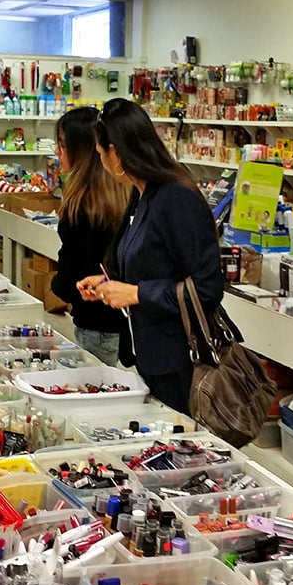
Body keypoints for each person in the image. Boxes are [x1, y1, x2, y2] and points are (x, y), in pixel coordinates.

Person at [77, 97, 224, 412]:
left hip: (182, 362)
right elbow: (152, 263)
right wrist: (108, 283)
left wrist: (136, 294)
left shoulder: (176, 198)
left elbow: (207, 288)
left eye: (101, 154)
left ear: (116, 154)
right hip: (151, 356)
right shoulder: (143, 194)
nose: (101, 162)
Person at [50, 107, 129, 365]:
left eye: (62, 145)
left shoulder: (81, 205)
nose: (57, 152)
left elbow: (73, 273)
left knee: (93, 383)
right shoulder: (121, 194)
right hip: (120, 322)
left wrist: (56, 285)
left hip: (94, 322)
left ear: (81, 149)